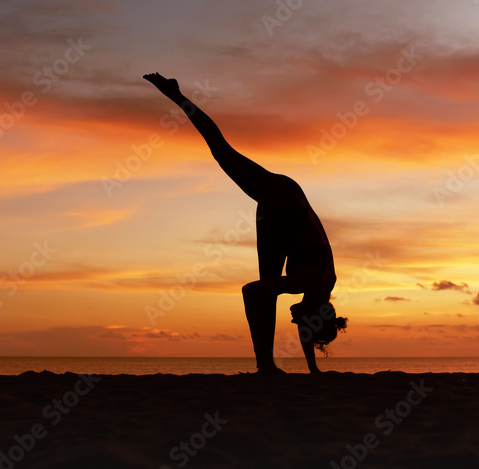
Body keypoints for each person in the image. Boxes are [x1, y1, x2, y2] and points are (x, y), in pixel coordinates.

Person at [143, 73, 347, 375]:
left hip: (290, 191)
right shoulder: (306, 283)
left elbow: (307, 326)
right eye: (300, 322)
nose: (294, 322)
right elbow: (251, 292)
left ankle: (176, 95)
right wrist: (312, 364)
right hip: (281, 208)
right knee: (262, 291)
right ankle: (265, 365)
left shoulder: (326, 283)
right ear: (314, 315)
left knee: (221, 150)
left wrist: (313, 370)